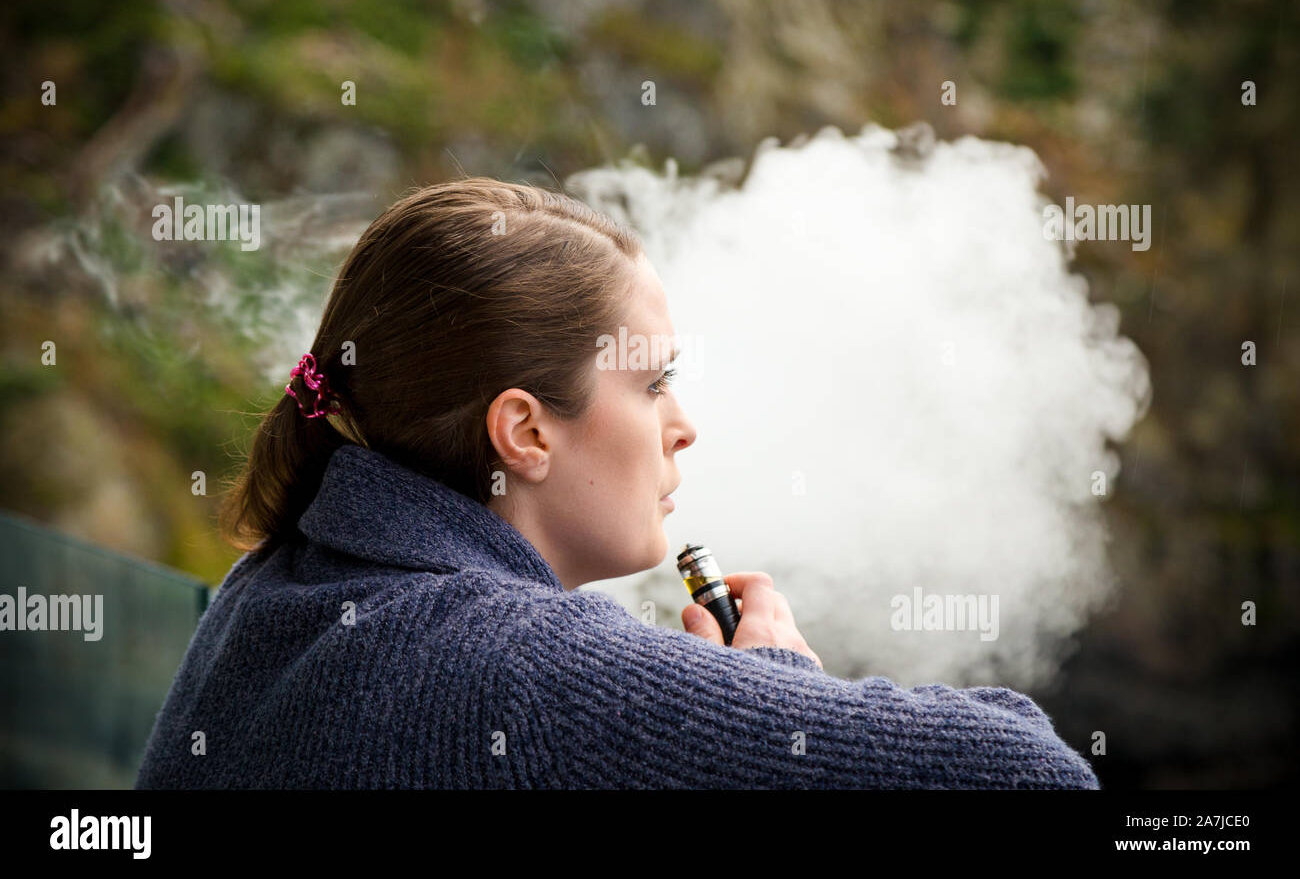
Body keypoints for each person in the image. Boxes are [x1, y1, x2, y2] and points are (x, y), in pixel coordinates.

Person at [134, 177, 1100, 789]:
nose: (685, 424)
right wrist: (774, 698)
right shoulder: (523, 669)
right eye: (653, 382)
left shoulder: (275, 584)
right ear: (523, 431)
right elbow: (1031, 773)